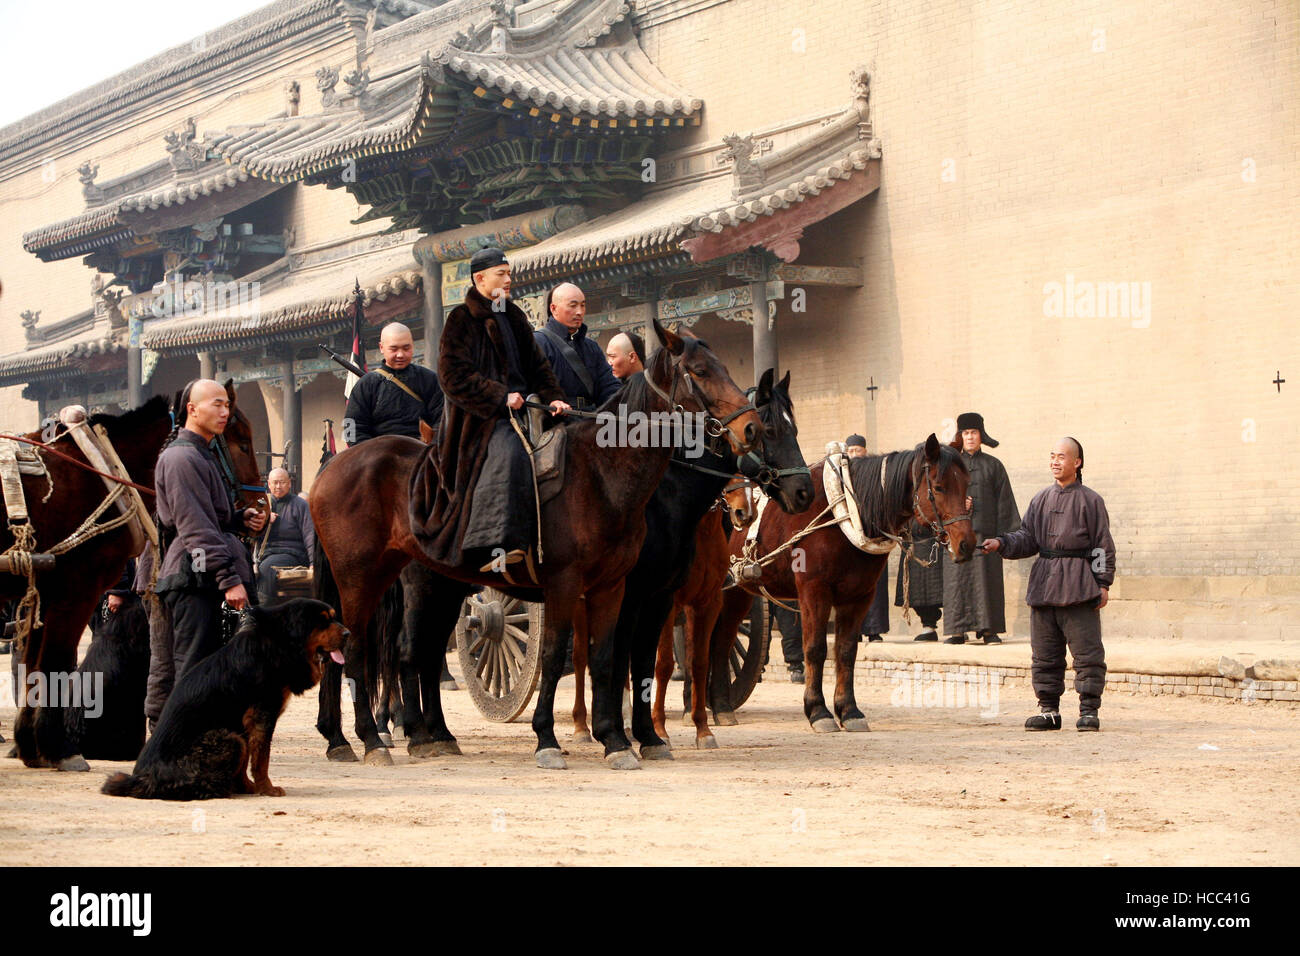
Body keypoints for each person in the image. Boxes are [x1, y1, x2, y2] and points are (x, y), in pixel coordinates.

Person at [410, 247, 568, 572]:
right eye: (502, 274)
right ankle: (498, 543)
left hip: (527, 409)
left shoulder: (515, 316)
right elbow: (451, 375)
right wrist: (500, 397)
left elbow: (537, 365)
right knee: (509, 452)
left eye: (509, 273)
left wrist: (553, 397)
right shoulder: (461, 319)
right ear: (480, 278)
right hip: (480, 420)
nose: (509, 280)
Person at [148, 379, 266, 725]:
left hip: (205, 576)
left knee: (211, 672)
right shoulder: (182, 457)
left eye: (227, 405)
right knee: (192, 673)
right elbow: (195, 527)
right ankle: (178, 756)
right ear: (192, 409)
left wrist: (240, 518)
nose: (225, 411)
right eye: (216, 404)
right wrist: (229, 579)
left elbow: (215, 517)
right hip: (194, 577)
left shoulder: (203, 454)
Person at [980, 437, 1115, 731]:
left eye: (1062, 457)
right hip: (1044, 586)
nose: (1055, 462)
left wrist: (1102, 583)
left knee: (1088, 654)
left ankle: (1089, 710)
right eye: (1052, 456)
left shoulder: (1091, 501)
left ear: (1077, 462)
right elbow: (1027, 538)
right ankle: (1049, 710)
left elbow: (1102, 546)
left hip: (1080, 586)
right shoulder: (1040, 499)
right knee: (1044, 655)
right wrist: (1001, 543)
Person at [942, 412, 1019, 644]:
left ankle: (989, 630)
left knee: (987, 582)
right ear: (960, 436)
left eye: (974, 432)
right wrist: (958, 504)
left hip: (986, 535)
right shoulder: (949, 466)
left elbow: (1005, 502)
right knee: (958, 581)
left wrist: (1006, 537)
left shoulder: (994, 466)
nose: (970, 437)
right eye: (966, 433)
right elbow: (940, 497)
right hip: (957, 536)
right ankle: (957, 631)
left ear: (981, 435)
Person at [344, 322, 443, 443]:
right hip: (378, 453)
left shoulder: (430, 380)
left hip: (423, 453)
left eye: (406, 348)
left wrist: (432, 449)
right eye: (394, 349)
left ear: (412, 346)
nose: (400, 354)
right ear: (381, 347)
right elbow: (350, 428)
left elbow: (443, 419)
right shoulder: (366, 385)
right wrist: (370, 455)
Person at [534, 283, 621, 410]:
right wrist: (551, 401)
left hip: (591, 419)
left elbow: (608, 386)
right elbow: (530, 385)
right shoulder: (538, 342)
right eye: (573, 306)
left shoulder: (591, 347)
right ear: (553, 308)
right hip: (555, 419)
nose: (579, 312)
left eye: (583, 305)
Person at [844, 435, 890, 642]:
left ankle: (874, 630)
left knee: (874, 586)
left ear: (865, 451)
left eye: (858, 450)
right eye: (851, 450)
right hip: (848, 538)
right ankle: (852, 631)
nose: (854, 454)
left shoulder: (876, 473)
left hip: (873, 536)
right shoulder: (840, 476)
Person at [255, 468, 315, 606]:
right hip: (265, 553)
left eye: (282, 482)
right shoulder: (261, 503)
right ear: (268, 484)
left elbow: (309, 535)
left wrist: (313, 563)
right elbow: (250, 531)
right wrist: (264, 522)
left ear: (289, 484)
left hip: (292, 552)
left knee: (267, 568)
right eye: (275, 483)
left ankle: (264, 610)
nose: (278, 486)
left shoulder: (300, 505)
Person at [895, 518, 944, 641]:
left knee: (947, 587)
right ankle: (928, 626)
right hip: (912, 540)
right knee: (917, 590)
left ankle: (959, 628)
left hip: (936, 537)